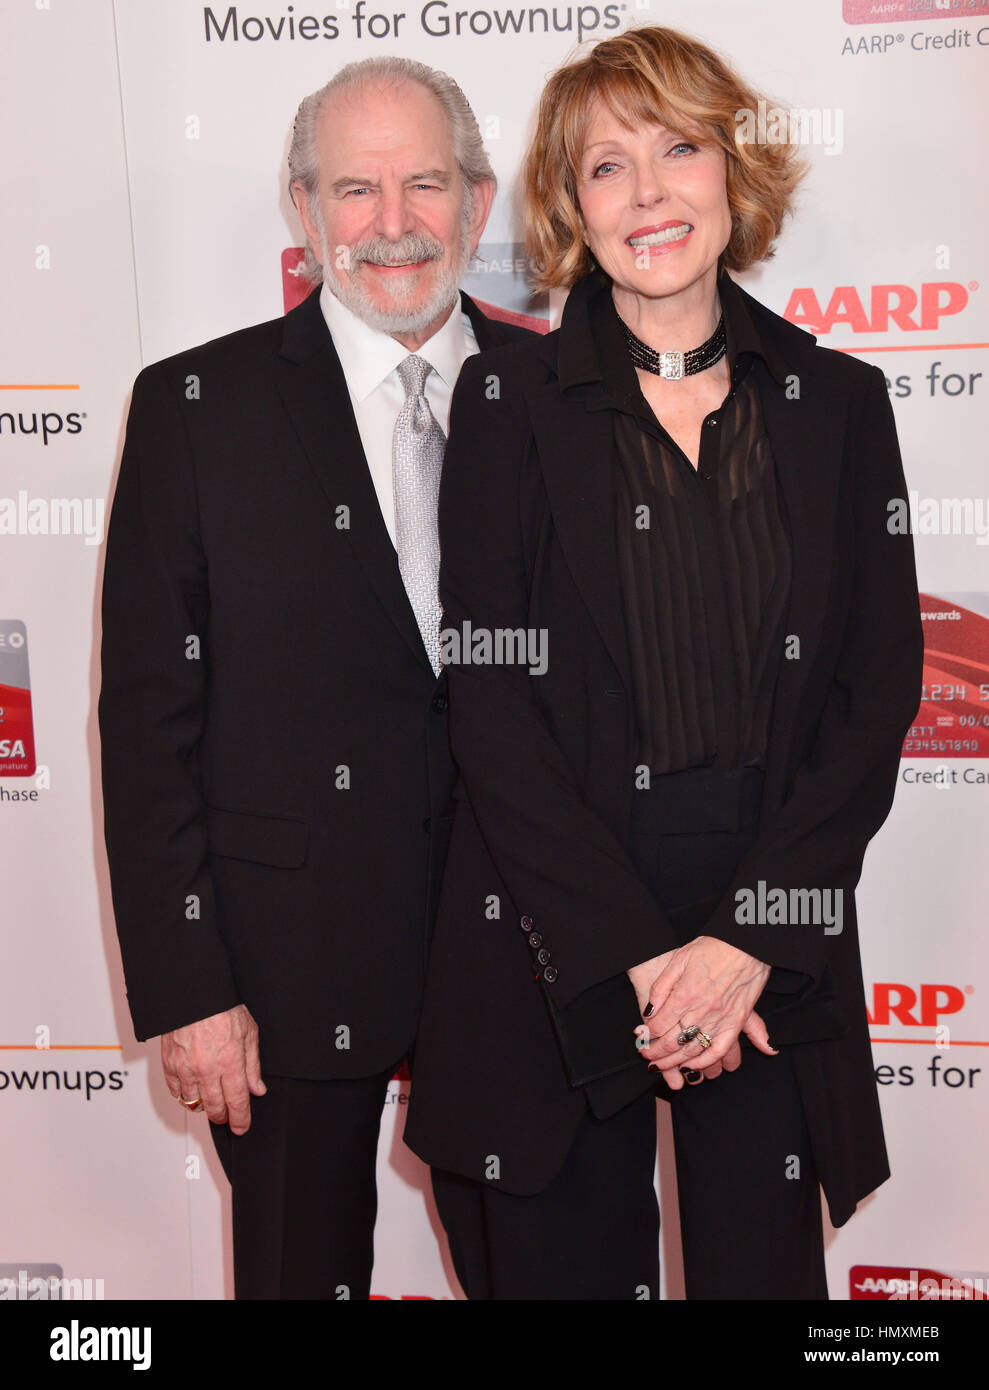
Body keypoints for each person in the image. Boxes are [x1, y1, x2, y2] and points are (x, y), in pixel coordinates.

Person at [403, 25, 923, 1300]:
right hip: (559, 919)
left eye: (677, 150)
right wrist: (636, 956)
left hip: (767, 910)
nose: (646, 194)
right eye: (604, 166)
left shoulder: (837, 403)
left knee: (762, 1279)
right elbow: (489, 696)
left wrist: (745, 939)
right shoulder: (502, 407)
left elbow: (874, 692)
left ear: (731, 173)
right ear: (568, 209)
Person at [98, 56, 530, 1299]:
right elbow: (147, 719)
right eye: (352, 188)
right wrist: (189, 987)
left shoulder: (558, 397)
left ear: (479, 198)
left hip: (520, 950)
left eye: (423, 184)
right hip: (283, 963)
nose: (390, 225)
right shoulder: (194, 407)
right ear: (302, 209)